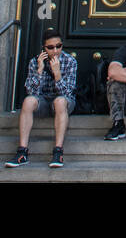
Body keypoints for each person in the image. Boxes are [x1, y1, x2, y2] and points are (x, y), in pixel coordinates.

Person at [6, 27, 76, 167]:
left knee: (60, 101)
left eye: (59, 46)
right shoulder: (35, 62)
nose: (55, 50)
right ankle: (22, 152)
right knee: (28, 101)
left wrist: (57, 75)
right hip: (44, 101)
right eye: (51, 47)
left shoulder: (70, 61)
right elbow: (32, 91)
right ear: (44, 48)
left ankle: (58, 152)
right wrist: (39, 71)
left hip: (63, 102)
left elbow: (67, 93)